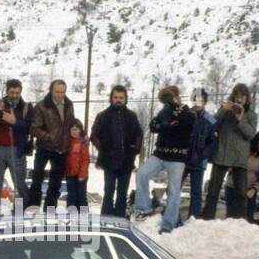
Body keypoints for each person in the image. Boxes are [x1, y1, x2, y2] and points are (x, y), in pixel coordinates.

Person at [133, 86, 194, 234]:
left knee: (174, 190)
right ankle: (144, 208)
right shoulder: (164, 111)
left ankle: (168, 223)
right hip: (159, 154)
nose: (167, 103)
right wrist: (166, 123)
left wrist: (167, 124)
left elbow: (186, 123)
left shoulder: (187, 112)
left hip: (178, 158)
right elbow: (153, 126)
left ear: (177, 97)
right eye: (164, 100)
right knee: (141, 173)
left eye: (169, 99)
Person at [203, 84, 257, 220]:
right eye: (237, 95)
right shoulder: (226, 109)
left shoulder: (251, 114)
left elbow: (251, 134)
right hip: (222, 154)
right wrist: (223, 110)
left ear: (247, 98)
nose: (239, 99)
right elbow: (211, 124)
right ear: (233, 96)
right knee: (213, 191)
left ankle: (241, 222)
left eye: (243, 96)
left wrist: (240, 120)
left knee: (241, 193)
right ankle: (206, 220)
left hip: (239, 157)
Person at [90, 85, 142, 217]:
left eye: (121, 97)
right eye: (116, 97)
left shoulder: (131, 116)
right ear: (111, 98)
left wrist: (134, 150)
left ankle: (119, 218)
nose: (118, 100)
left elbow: (139, 134)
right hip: (109, 161)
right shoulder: (103, 116)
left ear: (125, 99)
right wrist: (104, 150)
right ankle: (106, 218)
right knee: (109, 191)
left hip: (126, 161)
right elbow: (94, 135)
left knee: (122, 192)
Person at [27, 79, 76, 209]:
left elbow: (72, 123)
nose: (60, 94)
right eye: (57, 91)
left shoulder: (69, 105)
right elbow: (34, 128)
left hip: (62, 149)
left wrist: (78, 130)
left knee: (56, 183)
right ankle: (32, 208)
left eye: (62, 91)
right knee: (37, 179)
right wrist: (49, 137)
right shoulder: (42, 106)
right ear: (51, 90)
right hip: (45, 148)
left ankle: (49, 211)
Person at [0, 78, 32, 212]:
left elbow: (30, 128)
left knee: (19, 184)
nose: (14, 95)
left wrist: (14, 121)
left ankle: (19, 212)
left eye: (17, 92)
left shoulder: (26, 107)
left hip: (17, 150)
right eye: (12, 92)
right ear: (6, 92)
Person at [185, 88, 216, 220]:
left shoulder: (211, 120)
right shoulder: (185, 114)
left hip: (199, 162)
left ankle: (193, 220)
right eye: (196, 99)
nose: (198, 102)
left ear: (204, 102)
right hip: (182, 159)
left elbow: (213, 143)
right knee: (174, 189)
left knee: (196, 192)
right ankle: (171, 216)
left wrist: (202, 154)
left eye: (201, 100)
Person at [64, 121, 90, 211]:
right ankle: (71, 215)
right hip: (70, 174)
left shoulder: (83, 142)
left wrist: (82, 174)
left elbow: (85, 160)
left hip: (80, 175)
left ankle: (83, 216)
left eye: (76, 129)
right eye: (72, 129)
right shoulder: (67, 141)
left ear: (80, 130)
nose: (74, 131)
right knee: (71, 196)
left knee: (81, 196)